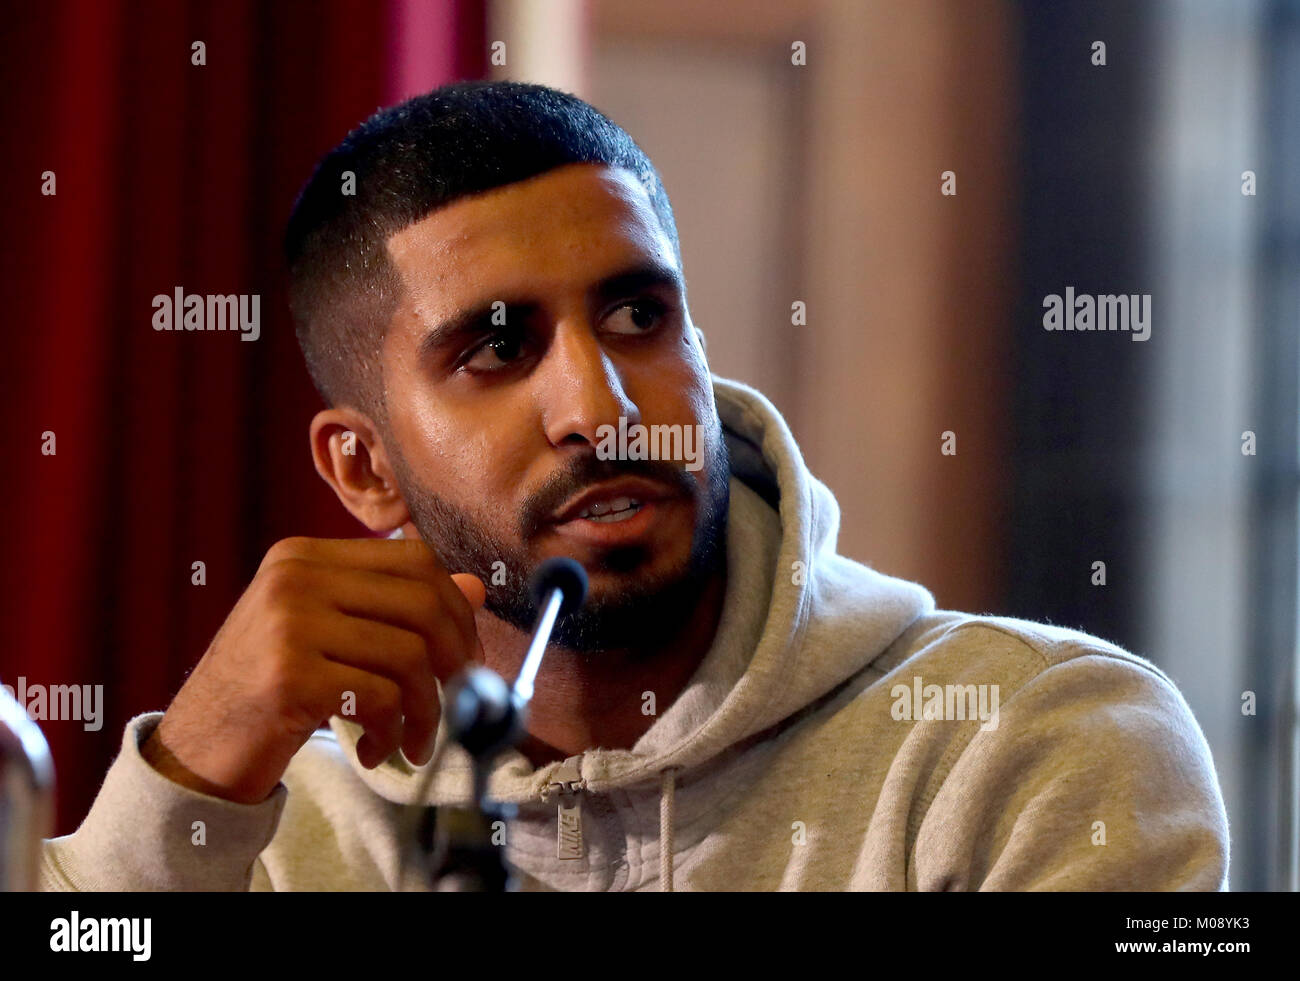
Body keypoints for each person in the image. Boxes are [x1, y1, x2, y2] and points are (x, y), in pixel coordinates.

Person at [39, 81, 1228, 891]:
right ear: (362, 469)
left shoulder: (1040, 742)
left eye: (637, 315)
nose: (600, 410)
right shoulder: (271, 822)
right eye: (498, 349)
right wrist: (184, 787)